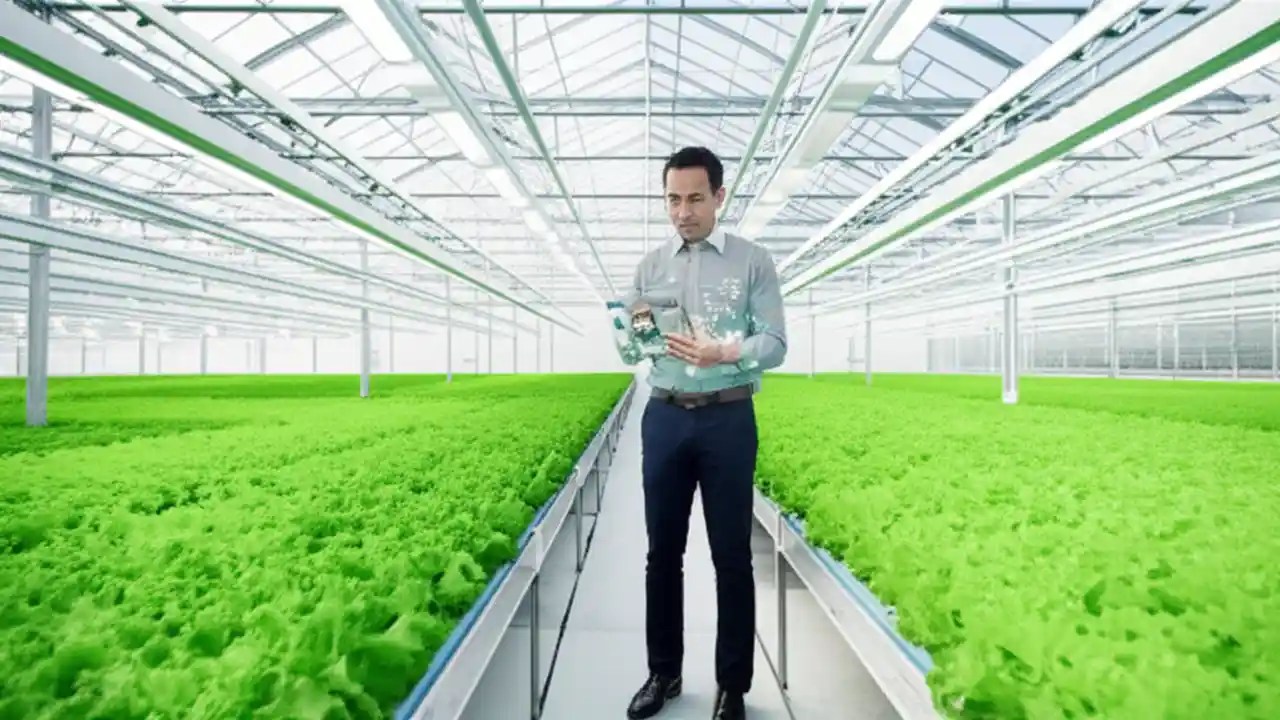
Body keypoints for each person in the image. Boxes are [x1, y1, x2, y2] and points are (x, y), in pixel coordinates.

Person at [612, 146, 787, 720]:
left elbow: (776, 344)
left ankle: (732, 686)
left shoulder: (752, 262)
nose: (681, 211)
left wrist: (724, 351)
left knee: (731, 555)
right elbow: (631, 347)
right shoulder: (649, 267)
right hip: (664, 415)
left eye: (693, 198)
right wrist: (631, 331)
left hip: (727, 418)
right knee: (662, 553)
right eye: (671, 199)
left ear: (719, 196)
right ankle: (662, 673)